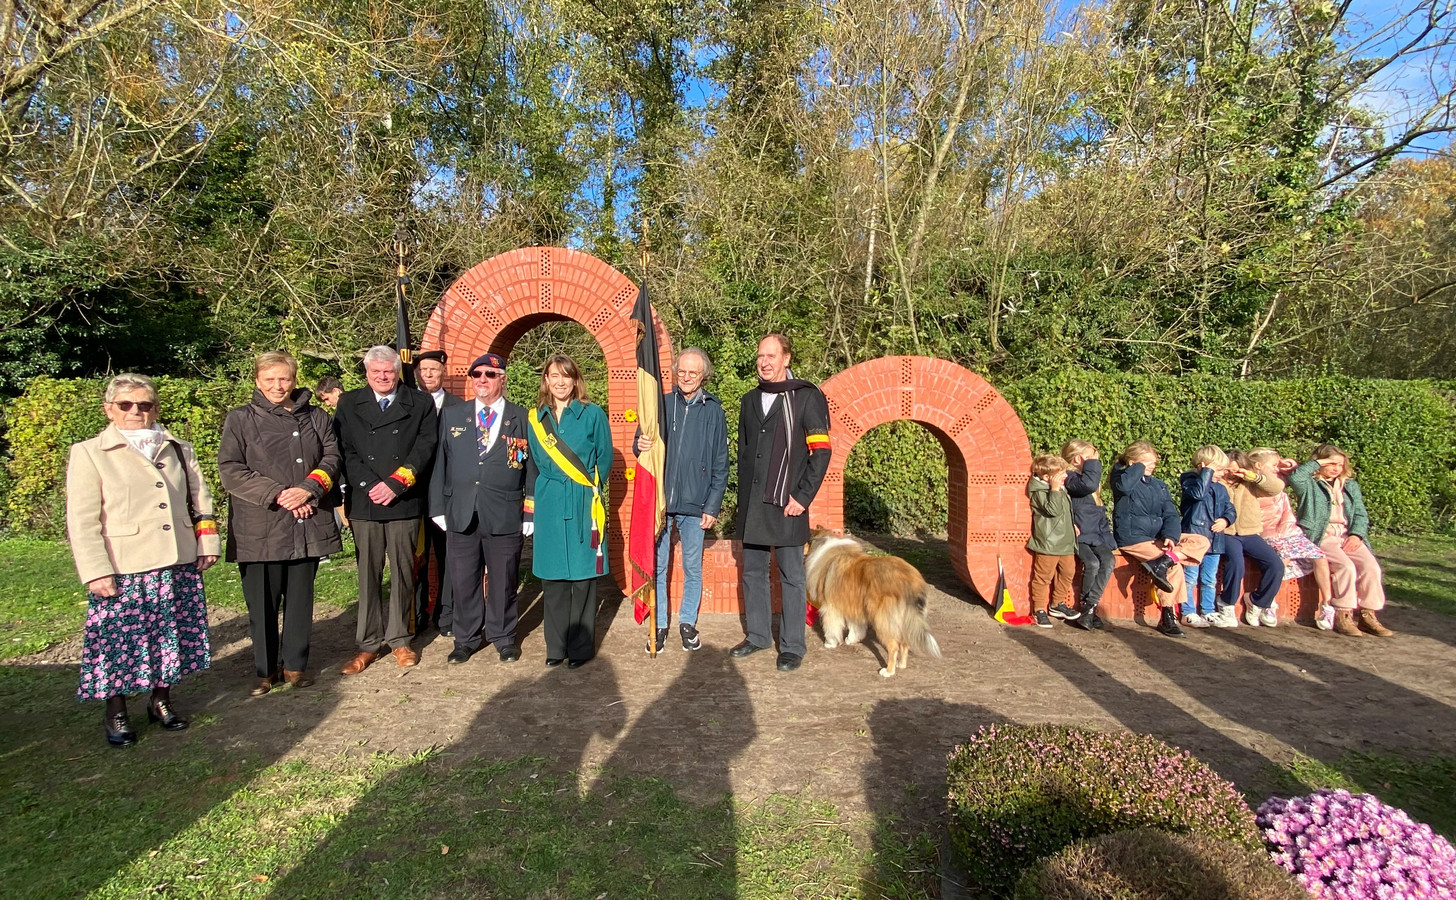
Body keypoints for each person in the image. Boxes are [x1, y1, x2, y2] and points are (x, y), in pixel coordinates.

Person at [65, 373, 220, 746]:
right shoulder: (89, 452)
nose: (136, 411)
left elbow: (201, 498)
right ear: (109, 409)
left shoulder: (177, 446)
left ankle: (161, 702)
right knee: (119, 640)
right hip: (123, 563)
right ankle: (116, 711)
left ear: (156, 408)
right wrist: (95, 570)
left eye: (145, 404)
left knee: (169, 635)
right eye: (126, 405)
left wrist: (208, 542)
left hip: (177, 557)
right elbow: (82, 518)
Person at [218, 351, 342, 696]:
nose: (277, 385)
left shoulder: (317, 417)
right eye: (270, 379)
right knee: (262, 602)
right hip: (261, 525)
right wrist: (280, 494)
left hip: (307, 521)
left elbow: (332, 457)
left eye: (284, 378)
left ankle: (295, 666)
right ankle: (264, 669)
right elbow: (231, 470)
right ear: (257, 381)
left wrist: (308, 489)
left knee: (301, 600)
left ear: (294, 378)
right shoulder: (240, 419)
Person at [333, 345, 438, 673]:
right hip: (365, 502)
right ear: (366, 373)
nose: (382, 376)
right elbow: (344, 450)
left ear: (397, 372)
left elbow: (425, 447)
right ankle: (367, 644)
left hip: (404, 499)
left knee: (405, 572)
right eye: (376, 371)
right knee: (368, 575)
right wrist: (369, 485)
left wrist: (397, 483)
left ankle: (400, 640)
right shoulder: (349, 403)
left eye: (388, 371)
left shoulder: (420, 403)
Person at [732, 334, 831, 672]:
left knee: (791, 576)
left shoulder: (807, 397)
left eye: (772, 355)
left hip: (788, 504)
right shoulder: (748, 400)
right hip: (753, 506)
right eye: (761, 355)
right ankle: (758, 636)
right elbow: (745, 454)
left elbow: (821, 452)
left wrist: (802, 497)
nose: (765, 362)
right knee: (754, 574)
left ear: (786, 358)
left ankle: (792, 646)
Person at [429, 352, 537, 664]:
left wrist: (530, 510)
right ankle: (465, 639)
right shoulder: (453, 416)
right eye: (476, 375)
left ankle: (503, 636)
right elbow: (441, 464)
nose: (482, 380)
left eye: (490, 375)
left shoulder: (521, 418)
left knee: (504, 580)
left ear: (502, 378)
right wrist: (438, 506)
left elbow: (529, 469)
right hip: (460, 512)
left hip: (504, 513)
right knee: (463, 581)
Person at [634, 348, 729, 653]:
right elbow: (642, 446)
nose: (687, 377)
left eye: (694, 373)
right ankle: (660, 624)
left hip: (696, 504)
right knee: (658, 568)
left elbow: (720, 462)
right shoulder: (661, 404)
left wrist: (712, 506)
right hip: (662, 502)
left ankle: (687, 623)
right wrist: (640, 443)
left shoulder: (714, 410)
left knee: (692, 568)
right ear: (676, 372)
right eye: (682, 372)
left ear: (704, 376)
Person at [525, 354, 613, 668]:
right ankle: (555, 647)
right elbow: (534, 462)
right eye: (554, 376)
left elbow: (604, 458)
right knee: (553, 577)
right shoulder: (535, 417)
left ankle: (579, 649)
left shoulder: (592, 414)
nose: (560, 382)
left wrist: (589, 491)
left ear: (575, 380)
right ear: (546, 380)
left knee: (583, 577)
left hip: (582, 500)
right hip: (549, 501)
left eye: (566, 376)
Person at [1288, 445, 1394, 637]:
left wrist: (1357, 534)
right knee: (1346, 567)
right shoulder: (1309, 484)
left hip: (1347, 535)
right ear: (1319, 462)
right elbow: (1295, 477)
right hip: (1322, 535)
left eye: (1339, 464)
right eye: (1331, 463)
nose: (1336, 468)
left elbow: (1361, 513)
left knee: (1371, 567)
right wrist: (1317, 463)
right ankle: (1343, 614)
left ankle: (1368, 614)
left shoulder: (1349, 485)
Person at [1109, 441, 1209, 638]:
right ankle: (1167, 615)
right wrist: (1136, 467)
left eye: (1153, 462)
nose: (1152, 466)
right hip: (1133, 538)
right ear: (1132, 463)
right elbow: (1124, 486)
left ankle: (1164, 560)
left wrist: (1170, 536)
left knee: (1201, 541)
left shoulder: (1159, 485)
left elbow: (1170, 514)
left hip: (1157, 537)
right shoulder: (1121, 479)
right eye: (1147, 462)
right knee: (1174, 568)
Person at [1245, 448, 1334, 627]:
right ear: (1258, 467)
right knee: (1283, 556)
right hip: (1266, 531)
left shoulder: (1279, 480)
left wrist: (1287, 464)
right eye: (1274, 466)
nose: (1278, 469)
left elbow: (1298, 475)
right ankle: (1267, 601)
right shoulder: (1251, 484)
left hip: (1288, 531)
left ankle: (1327, 606)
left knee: (1320, 557)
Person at [414, 349, 466, 635]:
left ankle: (447, 614)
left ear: (443, 372)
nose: (429, 374)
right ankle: (417, 615)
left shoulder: (459, 408)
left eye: (434, 369)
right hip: (413, 495)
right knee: (416, 558)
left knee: (448, 556)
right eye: (423, 370)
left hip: (447, 495)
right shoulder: (406, 405)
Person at [1216, 450, 1287, 627]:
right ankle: (1226, 603)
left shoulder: (1250, 484)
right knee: (1236, 563)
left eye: (1236, 471)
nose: (1231, 475)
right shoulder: (1217, 483)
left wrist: (1251, 476)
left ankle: (1257, 601)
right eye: (1228, 470)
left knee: (1276, 565)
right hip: (1227, 532)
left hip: (1250, 532)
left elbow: (1276, 487)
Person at [1177, 446, 1237, 628]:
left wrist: (1226, 520)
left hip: (1214, 540)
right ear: (1203, 467)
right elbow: (1198, 494)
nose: (1222, 473)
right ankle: (1187, 612)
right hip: (1195, 537)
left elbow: (1230, 508)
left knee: (1209, 579)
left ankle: (1208, 610)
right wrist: (1207, 472)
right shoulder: (1190, 481)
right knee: (1190, 577)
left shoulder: (1221, 488)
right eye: (1218, 469)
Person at [1061, 440, 1113, 631]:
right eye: (1091, 459)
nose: (1095, 464)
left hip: (1095, 535)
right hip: (1078, 535)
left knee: (1108, 561)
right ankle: (1087, 608)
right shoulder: (1069, 477)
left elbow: (1099, 513)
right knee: (1092, 563)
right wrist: (1091, 464)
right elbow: (1087, 485)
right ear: (1076, 459)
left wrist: (1108, 539)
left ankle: (1090, 607)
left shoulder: (1091, 484)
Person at [1026, 454, 1079, 629]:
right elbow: (1053, 510)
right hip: (1048, 543)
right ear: (1047, 477)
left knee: (1068, 572)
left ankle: (1057, 603)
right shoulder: (1040, 491)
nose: (1065, 477)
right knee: (1043, 577)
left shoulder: (1060, 489)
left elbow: (1064, 511)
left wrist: (1072, 526)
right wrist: (1055, 489)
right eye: (1060, 474)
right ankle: (1039, 609)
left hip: (1065, 541)